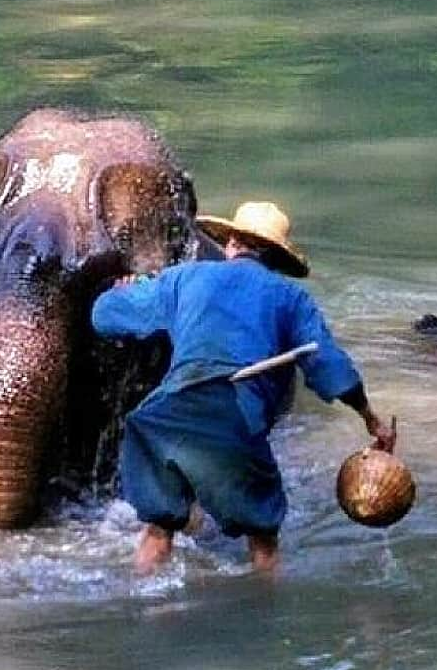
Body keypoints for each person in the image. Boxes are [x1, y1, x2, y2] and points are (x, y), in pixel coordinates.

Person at [92, 201, 395, 575]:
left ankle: (143, 611)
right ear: (274, 259)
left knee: (157, 532)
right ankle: (267, 621)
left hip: (160, 418)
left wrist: (120, 292)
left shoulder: (185, 277)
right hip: (231, 419)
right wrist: (370, 419)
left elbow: (105, 317)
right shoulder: (291, 298)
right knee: (264, 542)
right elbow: (329, 367)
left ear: (232, 244)